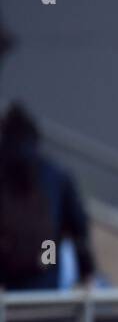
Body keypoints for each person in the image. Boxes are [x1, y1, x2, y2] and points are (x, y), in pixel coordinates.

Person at [0, 104, 96, 290]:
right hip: (46, 273)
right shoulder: (55, 175)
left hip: (7, 281)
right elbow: (78, 228)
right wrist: (86, 272)